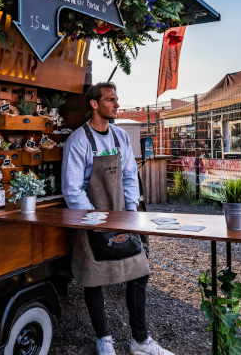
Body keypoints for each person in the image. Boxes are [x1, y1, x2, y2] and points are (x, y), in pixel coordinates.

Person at [62, 82, 173, 355]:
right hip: (90, 219)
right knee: (94, 277)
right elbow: (72, 189)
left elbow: (129, 177)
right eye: (111, 100)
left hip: (123, 217)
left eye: (116, 99)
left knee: (139, 272)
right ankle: (104, 339)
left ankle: (140, 341)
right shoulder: (78, 141)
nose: (117, 104)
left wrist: (131, 212)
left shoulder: (120, 137)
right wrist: (96, 220)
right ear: (94, 104)